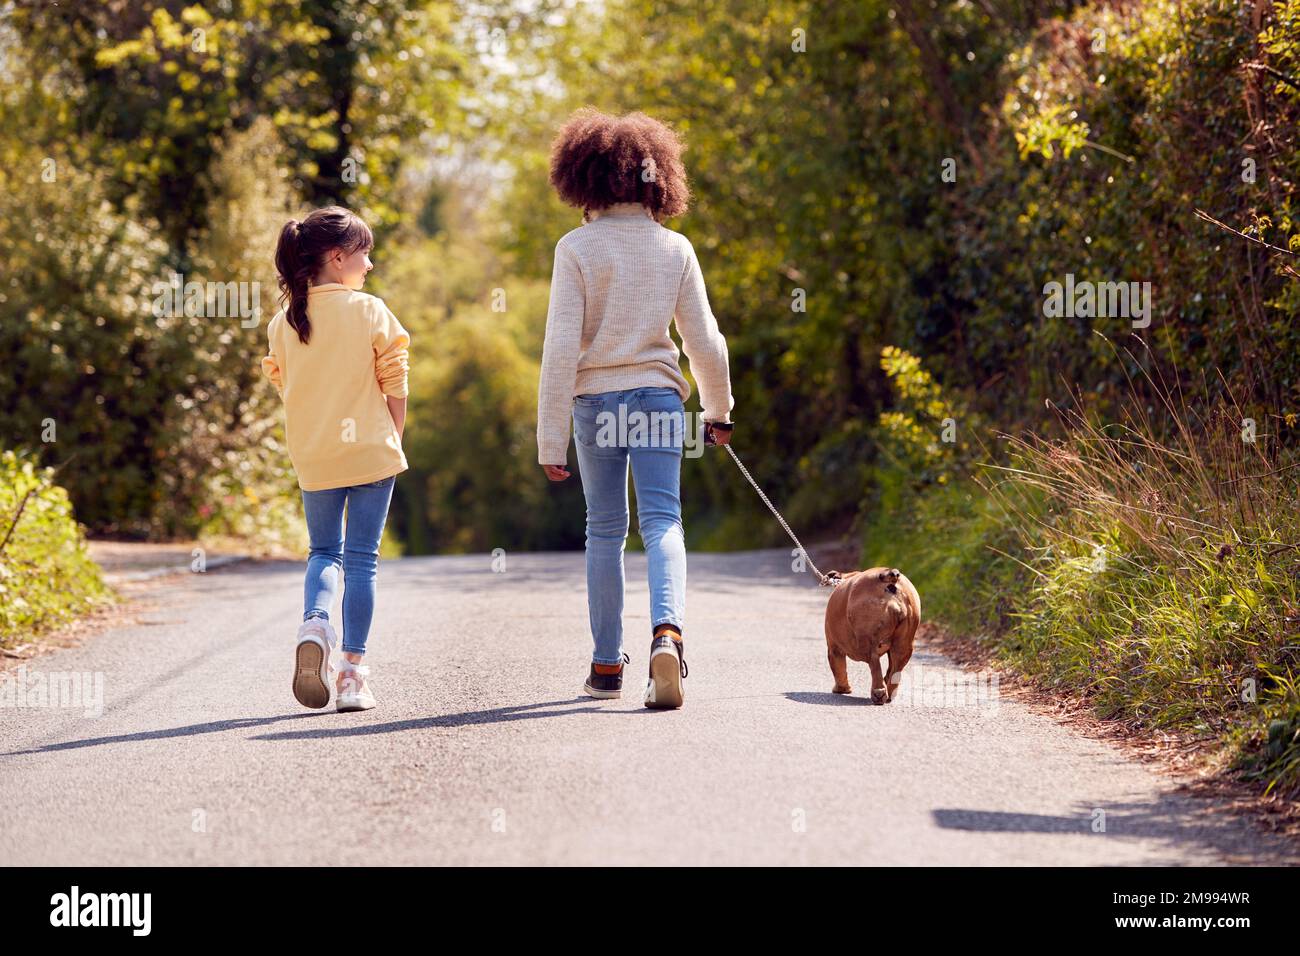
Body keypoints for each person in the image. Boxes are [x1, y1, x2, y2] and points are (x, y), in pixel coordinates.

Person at [537, 108, 735, 709]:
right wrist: (720, 410)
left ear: (583, 178)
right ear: (660, 179)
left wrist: (550, 440)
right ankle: (668, 637)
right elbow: (705, 340)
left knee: (604, 529)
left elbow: (559, 349)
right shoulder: (674, 248)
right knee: (663, 523)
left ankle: (605, 665)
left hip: (594, 403)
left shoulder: (575, 248)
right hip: (657, 398)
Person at [262, 205, 411, 713]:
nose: (368, 265)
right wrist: (393, 435)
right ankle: (351, 676)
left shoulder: (283, 322)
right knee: (362, 561)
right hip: (370, 450)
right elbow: (395, 378)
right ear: (337, 256)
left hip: (315, 454)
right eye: (364, 254)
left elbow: (285, 384)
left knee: (324, 552)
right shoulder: (369, 310)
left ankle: (315, 623)